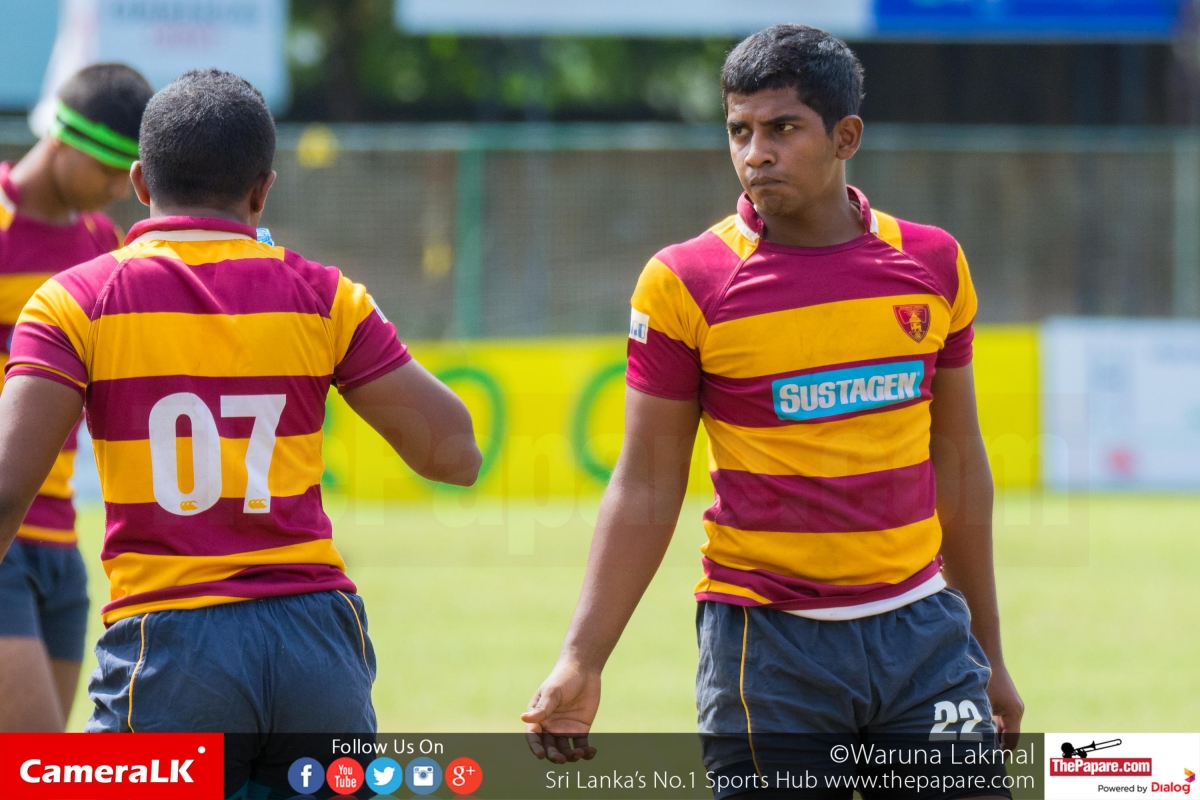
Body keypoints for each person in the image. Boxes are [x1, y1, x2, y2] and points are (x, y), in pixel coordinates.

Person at [523, 24, 1023, 799]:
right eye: (740, 130)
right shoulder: (686, 283)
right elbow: (647, 482)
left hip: (925, 638)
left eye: (783, 128)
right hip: (767, 649)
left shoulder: (932, 264)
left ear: (845, 137)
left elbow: (957, 466)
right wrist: (581, 660)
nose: (756, 153)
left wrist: (987, 655)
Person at [0, 69, 481, 794]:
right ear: (262, 191)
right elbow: (456, 454)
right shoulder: (324, 296)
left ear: (139, 182)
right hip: (317, 647)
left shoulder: (75, 300)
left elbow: (7, 488)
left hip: (170, 650)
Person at [0, 63, 153, 732]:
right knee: (32, 753)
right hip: (5, 530)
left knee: (41, 758)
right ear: (63, 138)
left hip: (63, 540)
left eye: (130, 175)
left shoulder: (100, 243)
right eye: (109, 170)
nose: (120, 190)